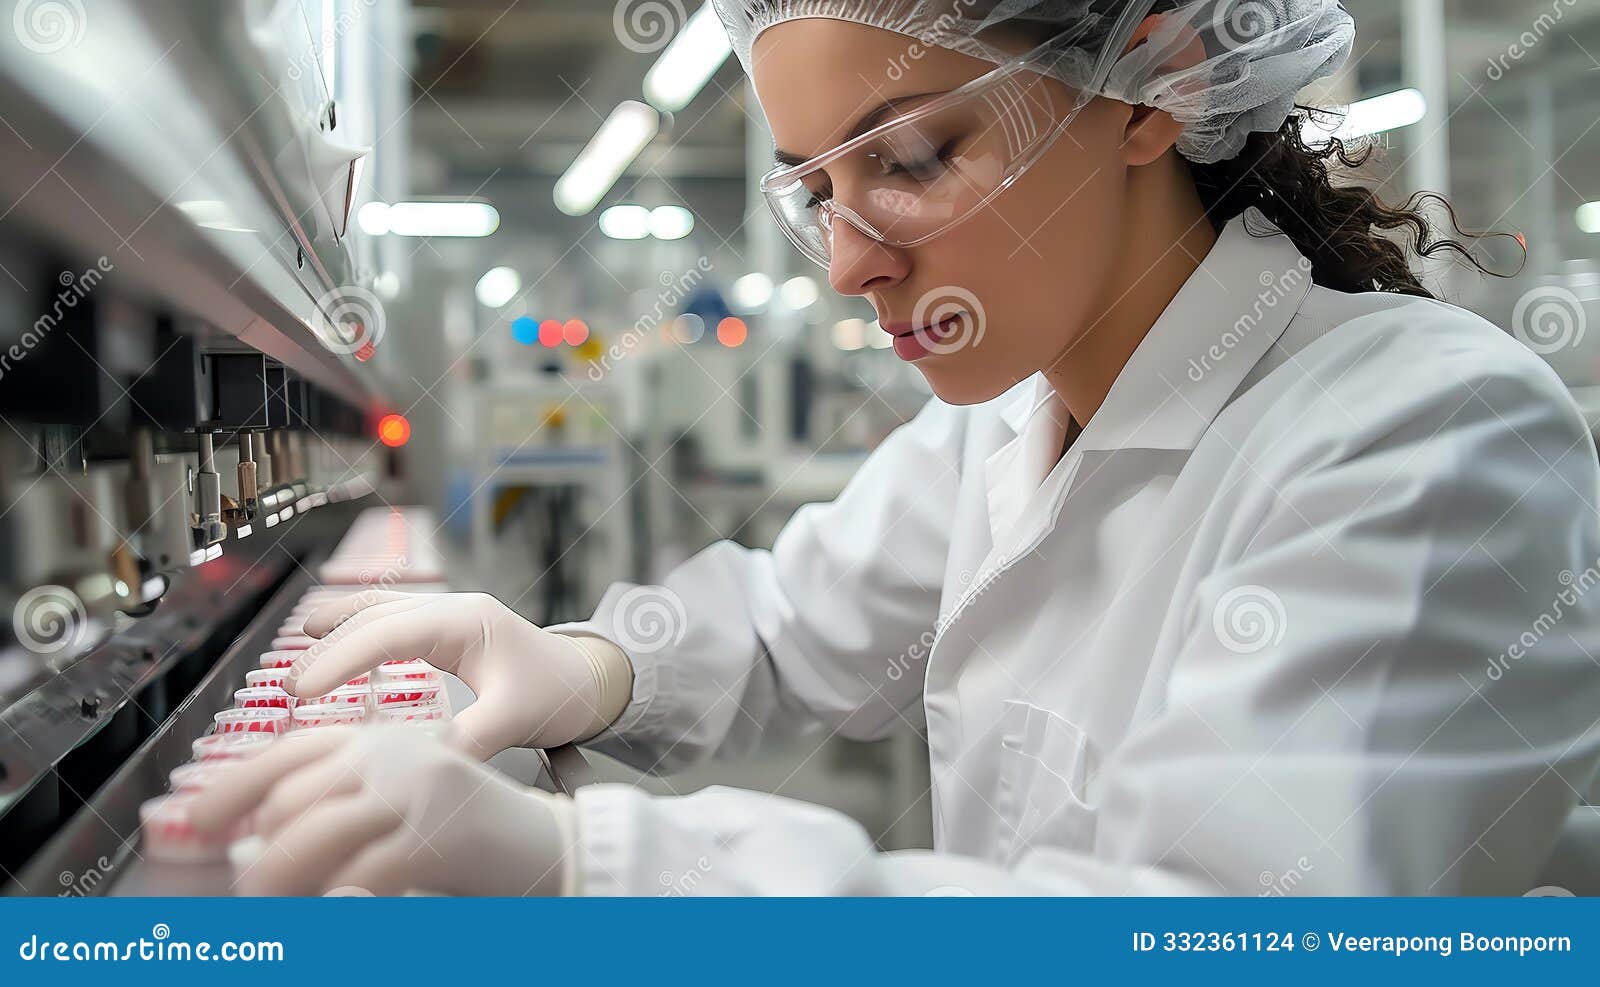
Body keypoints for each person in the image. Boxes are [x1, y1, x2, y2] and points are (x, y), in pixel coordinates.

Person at [191, 0, 1600, 896]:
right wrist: (587, 667)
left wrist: (593, 862)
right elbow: (793, 630)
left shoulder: (1425, 435)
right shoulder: (1004, 417)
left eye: (913, 159)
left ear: (1152, 81)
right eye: (816, 191)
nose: (848, 262)